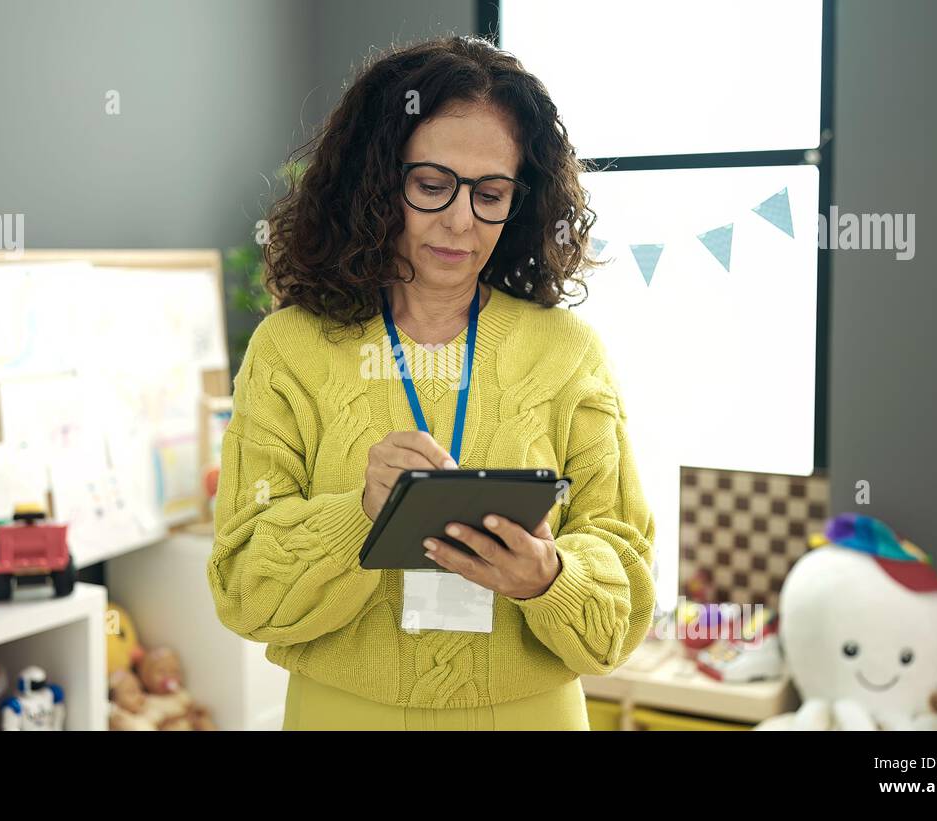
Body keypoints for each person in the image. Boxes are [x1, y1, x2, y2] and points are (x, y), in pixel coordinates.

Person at [208, 35, 655, 730]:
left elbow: (620, 604)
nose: (459, 220)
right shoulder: (289, 348)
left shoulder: (568, 354)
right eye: (431, 184)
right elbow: (244, 588)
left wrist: (548, 577)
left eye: (491, 193)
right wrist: (360, 511)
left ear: (520, 200)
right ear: (378, 180)